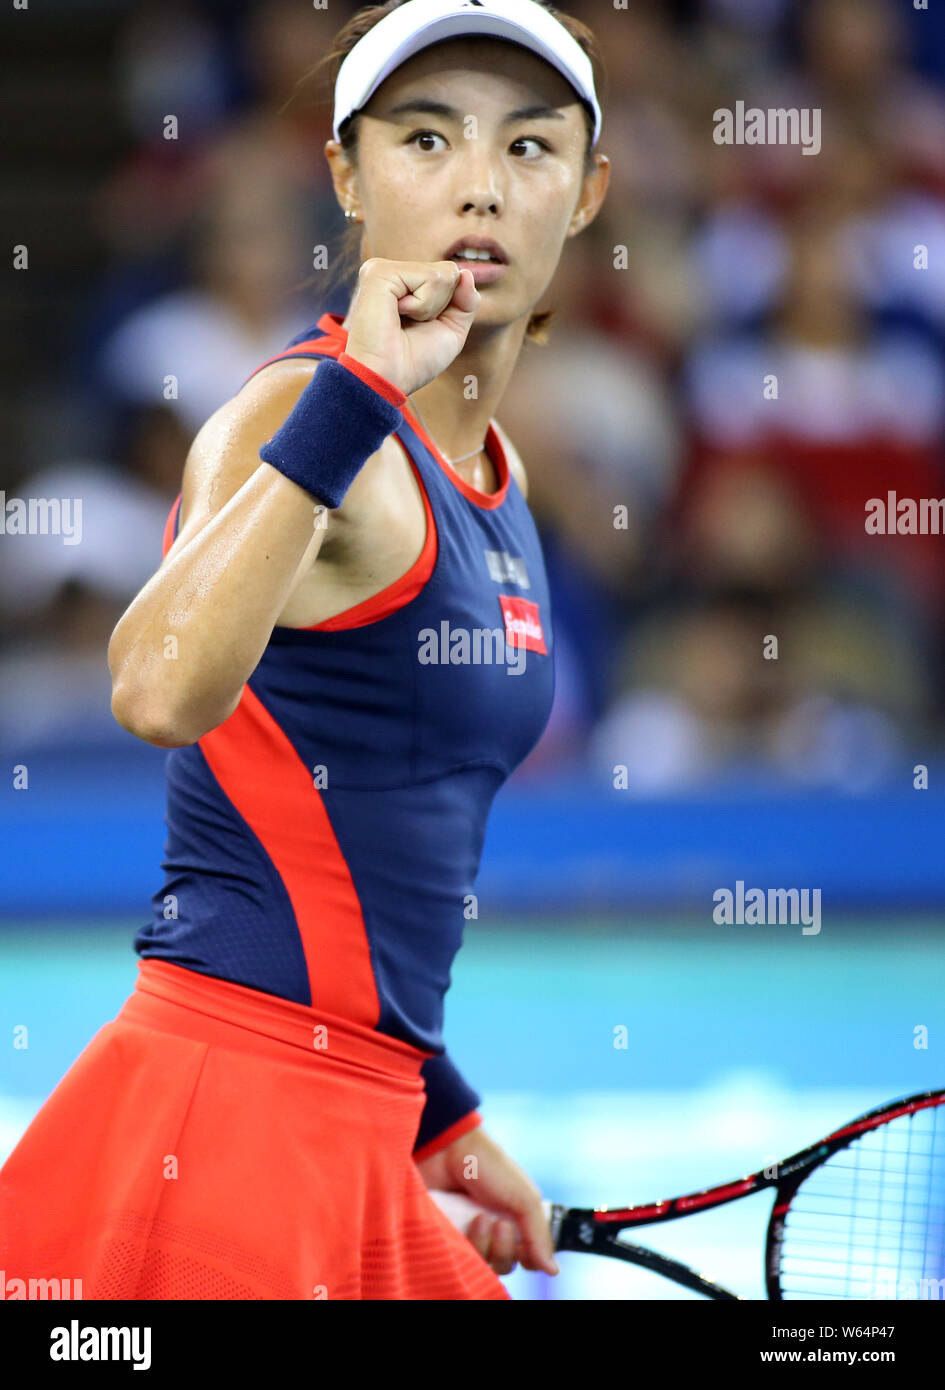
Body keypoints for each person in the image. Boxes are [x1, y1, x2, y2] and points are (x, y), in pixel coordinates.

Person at [0, 0, 610, 1299]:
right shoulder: (300, 410)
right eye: (426, 138)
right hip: (224, 1115)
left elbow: (376, 846)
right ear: (346, 173)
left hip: (362, 1118)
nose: (479, 188)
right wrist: (354, 396)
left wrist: (442, 1115)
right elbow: (156, 686)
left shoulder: (499, 483)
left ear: (587, 189)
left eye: (528, 147)